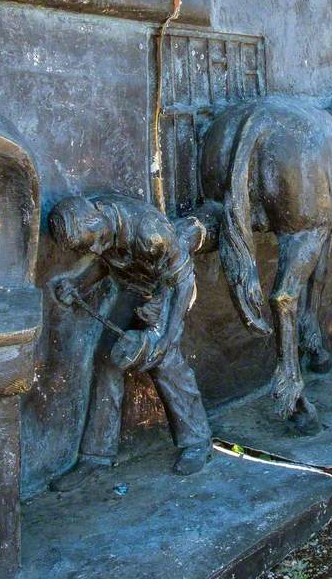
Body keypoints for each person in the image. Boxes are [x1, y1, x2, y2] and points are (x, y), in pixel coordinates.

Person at [46, 193, 212, 492]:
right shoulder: (97, 225)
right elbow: (107, 264)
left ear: (99, 217)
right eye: (88, 246)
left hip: (167, 291)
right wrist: (78, 286)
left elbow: (183, 283)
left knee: (163, 359)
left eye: (96, 241)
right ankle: (96, 456)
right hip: (133, 287)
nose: (96, 248)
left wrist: (166, 336)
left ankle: (197, 441)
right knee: (107, 361)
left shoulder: (150, 231)